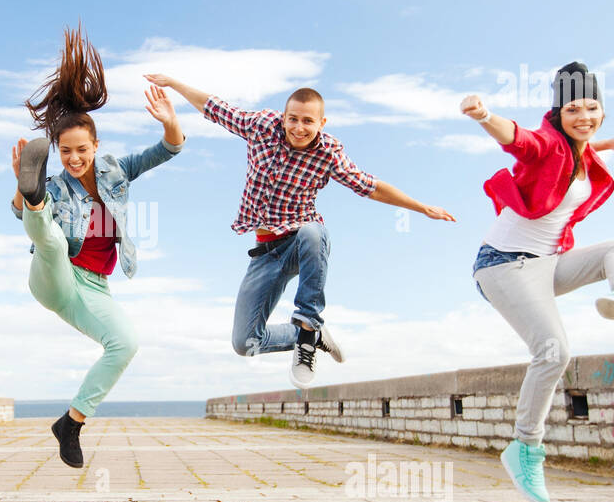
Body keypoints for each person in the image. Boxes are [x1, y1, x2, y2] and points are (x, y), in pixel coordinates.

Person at [144, 73, 454, 388]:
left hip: (300, 244)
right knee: (245, 342)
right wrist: (175, 84)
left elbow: (370, 187)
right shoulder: (261, 126)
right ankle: (309, 335)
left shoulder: (328, 152)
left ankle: (307, 326)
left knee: (314, 232)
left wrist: (420, 207)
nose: (298, 128)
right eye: (293, 119)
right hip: (265, 253)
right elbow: (214, 108)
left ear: (322, 122)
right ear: (284, 116)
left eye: (308, 121)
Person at [463, 61, 614, 502]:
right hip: (503, 267)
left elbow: (591, 148)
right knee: (554, 351)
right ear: (557, 114)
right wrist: (483, 116)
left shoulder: (584, 150)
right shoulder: (548, 146)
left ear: (602, 111)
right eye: (572, 109)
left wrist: (611, 142)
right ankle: (525, 448)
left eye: (591, 108)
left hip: (548, 264)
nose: (583, 116)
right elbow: (520, 140)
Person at [12, 27, 185, 468]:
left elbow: (167, 150)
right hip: (55, 275)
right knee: (48, 237)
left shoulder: (116, 170)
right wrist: (24, 190)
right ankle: (33, 194)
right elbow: (19, 218)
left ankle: (70, 423)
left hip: (94, 287)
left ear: (96, 146)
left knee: (125, 344)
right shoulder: (56, 183)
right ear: (56, 151)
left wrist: (169, 122)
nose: (74, 158)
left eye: (81, 150)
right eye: (65, 151)